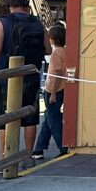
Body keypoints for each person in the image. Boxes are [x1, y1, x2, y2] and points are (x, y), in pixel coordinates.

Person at [0, 0, 50, 168]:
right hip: (31, 75)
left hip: (8, 76)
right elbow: (48, 49)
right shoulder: (37, 22)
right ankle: (28, 156)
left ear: (8, 3)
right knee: (30, 117)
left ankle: (5, 158)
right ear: (25, 2)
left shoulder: (2, 22)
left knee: (5, 118)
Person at [33, 24, 68, 160]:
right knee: (48, 117)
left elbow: (57, 73)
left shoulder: (55, 54)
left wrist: (53, 94)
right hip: (62, 88)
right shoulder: (65, 51)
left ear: (52, 39)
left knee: (54, 120)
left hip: (53, 89)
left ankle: (62, 146)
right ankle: (39, 148)